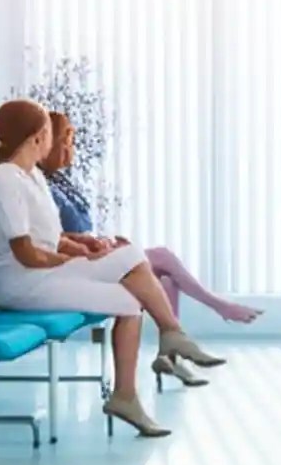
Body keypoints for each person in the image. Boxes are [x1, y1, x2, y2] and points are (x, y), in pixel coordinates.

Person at [0, 100, 226, 438]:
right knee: (129, 278)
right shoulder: (4, 182)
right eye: (50, 132)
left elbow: (49, 237)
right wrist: (75, 261)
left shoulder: (31, 175)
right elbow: (25, 253)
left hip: (46, 272)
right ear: (38, 137)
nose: (53, 140)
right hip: (23, 284)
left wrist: (82, 246)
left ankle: (137, 382)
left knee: (129, 277)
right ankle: (168, 342)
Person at [39, 112, 262, 386]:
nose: (71, 150)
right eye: (66, 142)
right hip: (76, 266)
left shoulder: (60, 182)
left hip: (90, 255)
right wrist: (93, 245)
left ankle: (170, 358)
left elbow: (74, 231)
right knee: (161, 257)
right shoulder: (38, 187)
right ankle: (217, 307)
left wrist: (103, 241)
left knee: (166, 280)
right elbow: (50, 237)